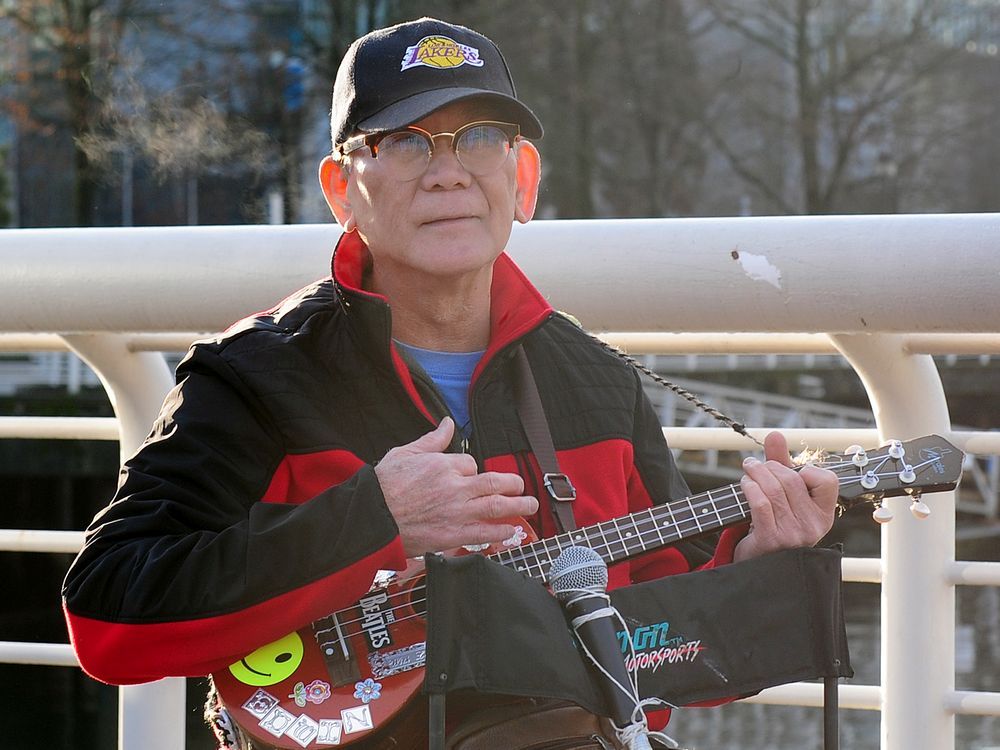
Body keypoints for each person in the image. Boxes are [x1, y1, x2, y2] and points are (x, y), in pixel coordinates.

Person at [62, 17, 839, 749]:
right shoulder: (254, 377)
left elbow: (666, 662)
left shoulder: (598, 382)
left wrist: (757, 566)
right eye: (404, 143)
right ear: (341, 189)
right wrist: (375, 519)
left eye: (481, 139)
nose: (447, 173)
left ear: (522, 178)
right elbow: (107, 618)